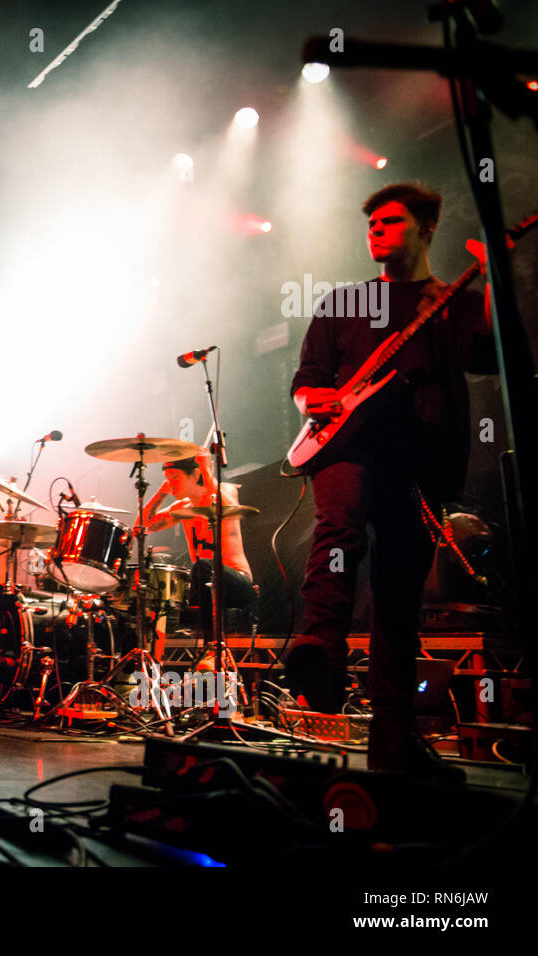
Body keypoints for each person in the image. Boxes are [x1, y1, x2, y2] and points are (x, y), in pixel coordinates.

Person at [288, 182, 496, 780]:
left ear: (428, 228)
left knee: (400, 594)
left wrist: (490, 289)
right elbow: (307, 378)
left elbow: (493, 357)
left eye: (392, 221)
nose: (376, 230)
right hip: (348, 446)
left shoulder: (452, 302)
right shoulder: (344, 302)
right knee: (339, 528)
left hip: (421, 458)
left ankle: (393, 736)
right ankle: (322, 652)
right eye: (371, 222)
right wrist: (313, 398)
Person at [140, 452, 254, 670]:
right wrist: (160, 494)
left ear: (194, 475)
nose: (170, 484)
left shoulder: (222, 490)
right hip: (203, 585)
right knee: (158, 585)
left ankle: (214, 649)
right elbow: (143, 525)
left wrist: (206, 468)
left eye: (175, 477)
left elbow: (221, 506)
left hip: (237, 582)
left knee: (202, 565)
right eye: (167, 478)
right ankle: (152, 662)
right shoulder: (181, 507)